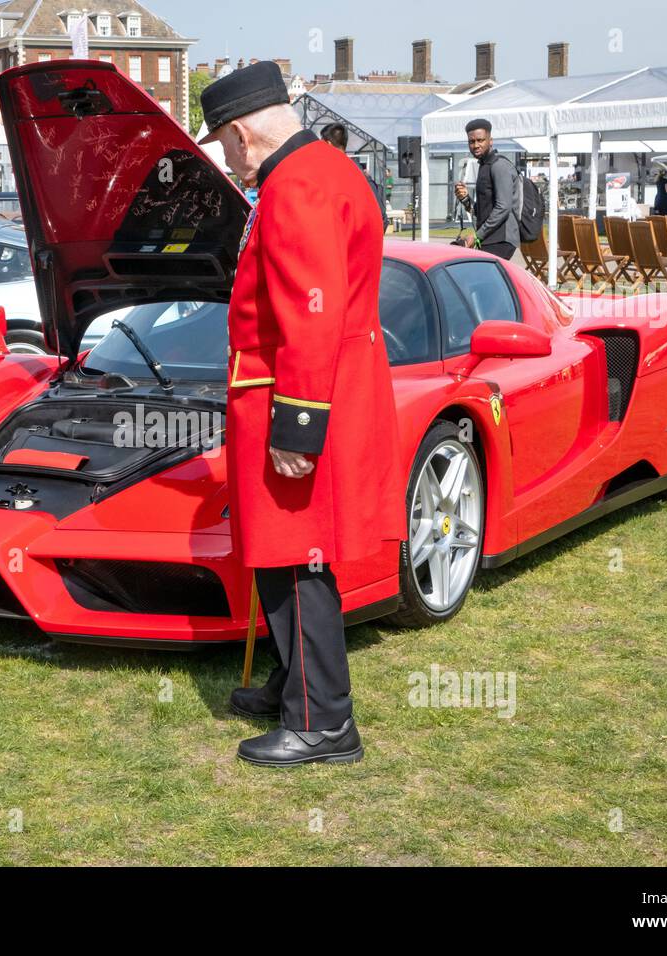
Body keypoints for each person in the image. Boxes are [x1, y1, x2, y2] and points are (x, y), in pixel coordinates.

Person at [199, 62, 402, 767]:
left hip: (292, 395)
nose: (227, 158)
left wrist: (297, 425)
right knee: (283, 556)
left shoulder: (297, 186)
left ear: (240, 130)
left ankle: (322, 722)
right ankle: (295, 684)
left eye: (223, 145)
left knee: (295, 558)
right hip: (303, 391)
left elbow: (307, 316)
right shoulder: (323, 170)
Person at [453, 118, 520, 261]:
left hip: (501, 240)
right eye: (472, 142)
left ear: (490, 141)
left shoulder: (499, 166)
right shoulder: (484, 166)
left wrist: (477, 235)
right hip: (489, 238)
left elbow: (503, 207)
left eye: (480, 140)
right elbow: (482, 211)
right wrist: (466, 199)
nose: (476, 145)